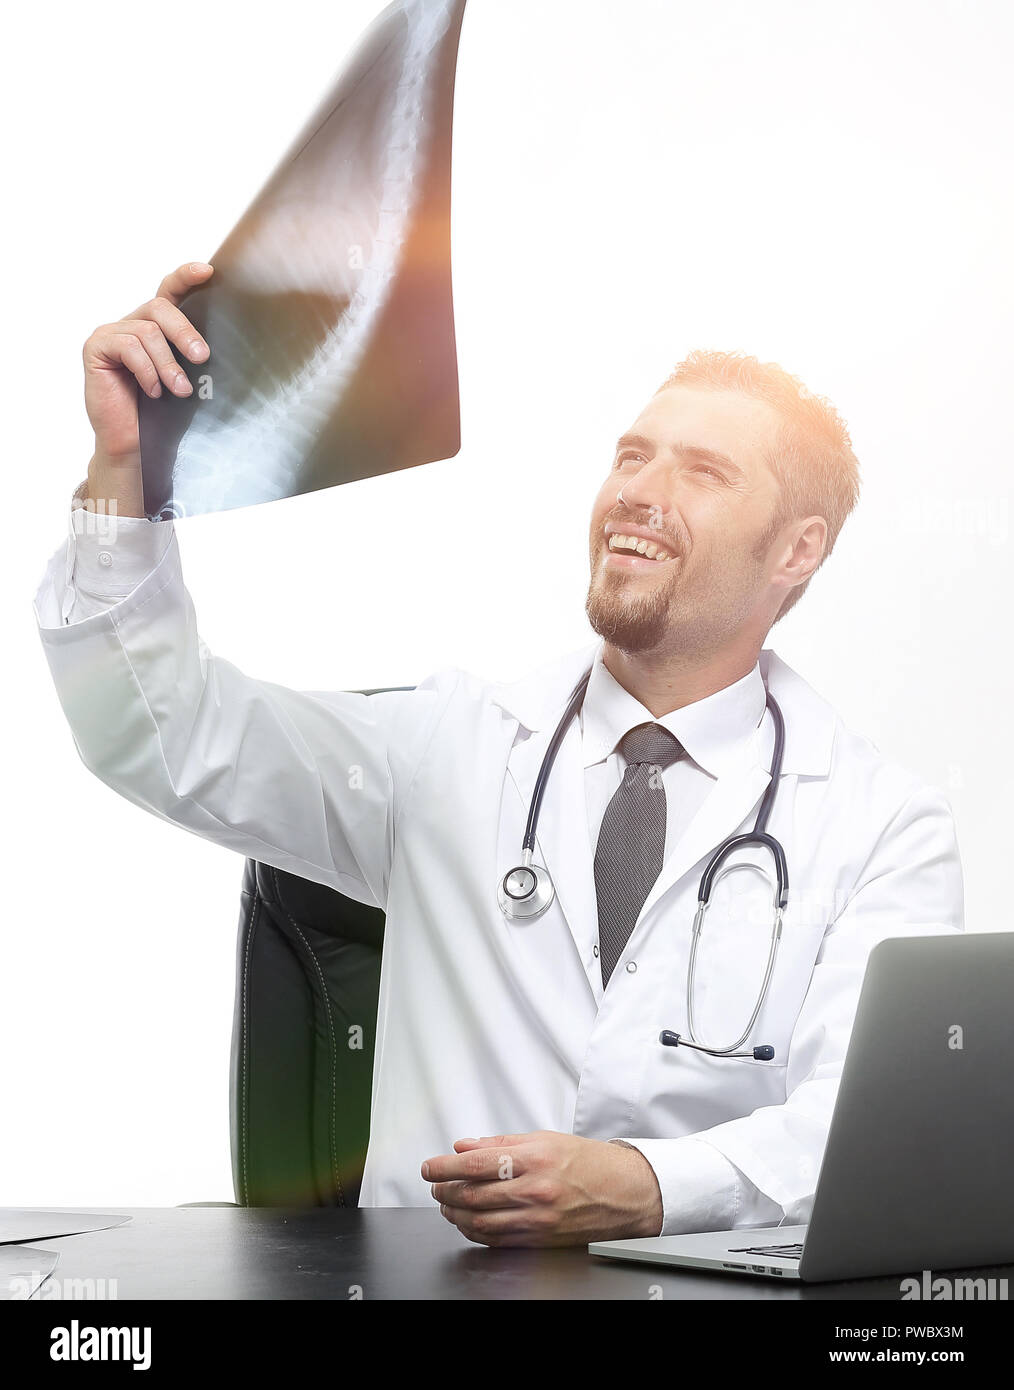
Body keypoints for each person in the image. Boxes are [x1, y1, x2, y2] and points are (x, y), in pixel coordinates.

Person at [34, 261, 963, 1247]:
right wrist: (126, 477)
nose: (639, 494)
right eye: (632, 456)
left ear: (796, 551)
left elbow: (870, 1136)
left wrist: (651, 1185)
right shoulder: (446, 749)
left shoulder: (880, 828)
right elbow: (157, 730)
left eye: (702, 472)